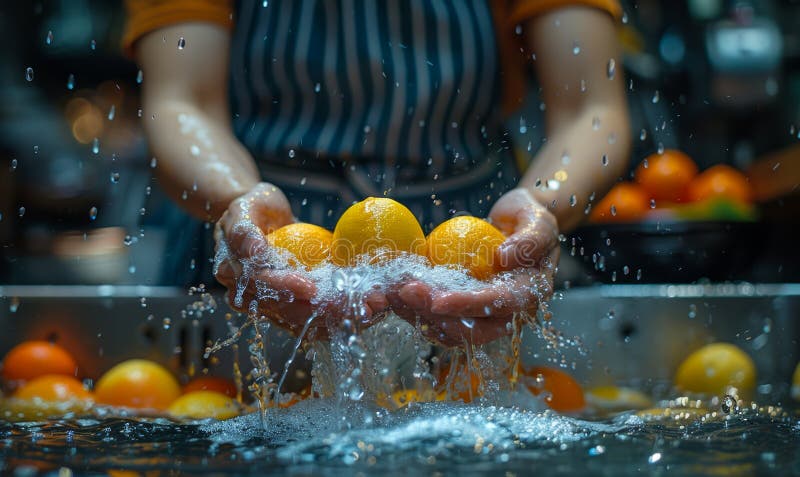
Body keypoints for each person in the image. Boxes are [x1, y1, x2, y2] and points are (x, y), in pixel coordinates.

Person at [124, 0, 631, 347]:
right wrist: (239, 203)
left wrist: (542, 207)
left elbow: (592, 111)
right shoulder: (252, 237)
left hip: (472, 258)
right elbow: (180, 103)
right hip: (260, 251)